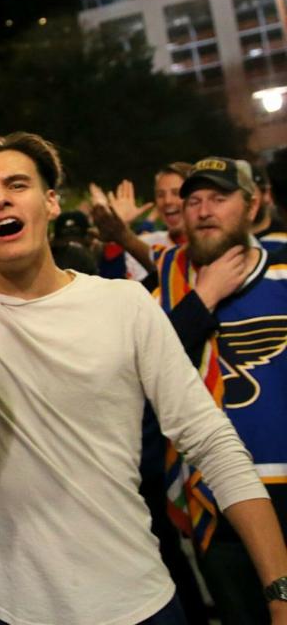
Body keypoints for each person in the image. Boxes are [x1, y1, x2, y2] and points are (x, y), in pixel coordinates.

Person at [0, 133, 287, 625]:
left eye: (17, 184)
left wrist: (280, 592)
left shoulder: (125, 305)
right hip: (4, 607)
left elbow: (212, 443)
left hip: (138, 602)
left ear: (52, 202)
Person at [155, 157, 287, 623]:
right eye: (193, 201)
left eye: (219, 198)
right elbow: (149, 376)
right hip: (215, 497)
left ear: (252, 207)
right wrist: (201, 301)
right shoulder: (164, 291)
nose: (204, 210)